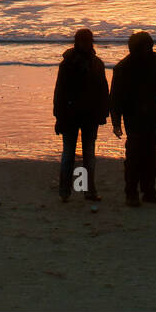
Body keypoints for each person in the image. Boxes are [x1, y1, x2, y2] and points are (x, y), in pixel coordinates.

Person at [109, 30, 156, 206]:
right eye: (143, 48)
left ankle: (149, 190)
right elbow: (115, 98)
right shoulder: (122, 68)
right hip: (133, 118)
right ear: (134, 49)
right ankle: (131, 193)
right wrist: (116, 123)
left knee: (152, 156)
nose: (147, 51)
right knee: (133, 157)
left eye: (149, 47)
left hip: (155, 116)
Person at [52, 28, 110, 202]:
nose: (86, 44)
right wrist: (58, 116)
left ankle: (84, 190)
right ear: (77, 42)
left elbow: (103, 90)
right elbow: (60, 92)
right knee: (70, 154)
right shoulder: (69, 63)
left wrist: (104, 111)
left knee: (87, 154)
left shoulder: (95, 63)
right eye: (83, 41)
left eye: (88, 41)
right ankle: (67, 191)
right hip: (71, 115)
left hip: (89, 115)